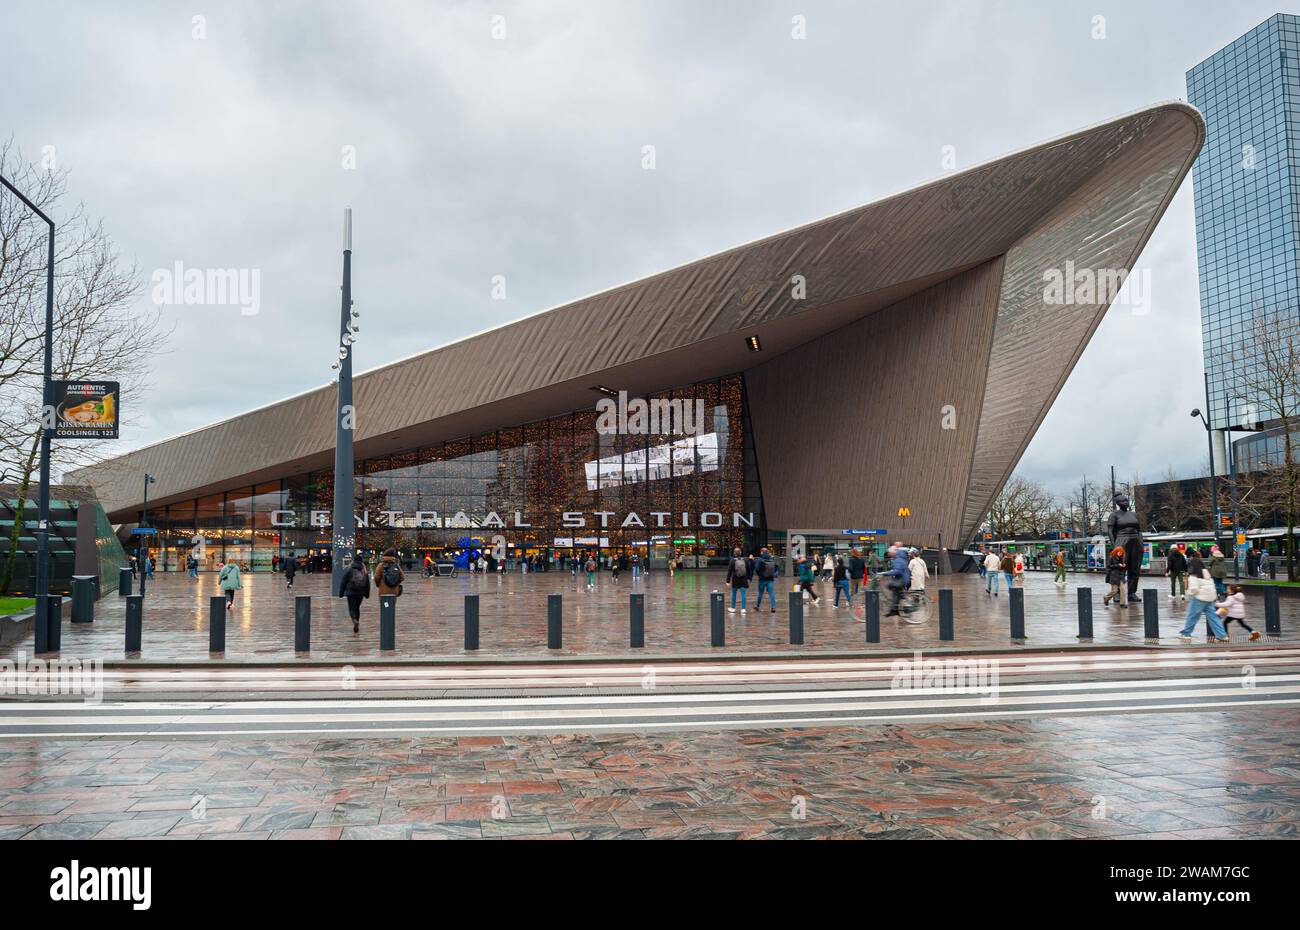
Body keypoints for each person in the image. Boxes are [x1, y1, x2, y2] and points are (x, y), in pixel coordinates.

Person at [1180, 554, 1228, 642]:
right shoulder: (1207, 573)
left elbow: (1193, 589)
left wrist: (1188, 591)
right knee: (1213, 618)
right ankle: (1222, 635)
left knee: (1192, 616)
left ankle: (1186, 634)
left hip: (1199, 598)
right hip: (1210, 598)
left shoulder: (1193, 576)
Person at [339, 555, 371, 634]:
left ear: (353, 561)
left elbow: (343, 582)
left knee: (352, 608)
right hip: (360, 593)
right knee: (357, 608)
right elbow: (367, 584)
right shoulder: (364, 571)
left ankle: (354, 620)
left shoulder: (350, 569)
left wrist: (341, 593)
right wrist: (367, 594)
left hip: (351, 592)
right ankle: (357, 622)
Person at [881, 546, 911, 616]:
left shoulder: (898, 559)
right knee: (895, 592)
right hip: (902, 579)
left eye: (889, 552)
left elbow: (897, 571)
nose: (889, 554)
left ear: (893, 552)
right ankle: (895, 608)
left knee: (891, 586)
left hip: (902, 580)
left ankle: (895, 609)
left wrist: (885, 573)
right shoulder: (900, 558)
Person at [754, 547, 779, 612]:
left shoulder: (760, 559)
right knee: (771, 593)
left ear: (762, 552)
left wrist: (759, 574)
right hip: (770, 578)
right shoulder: (772, 558)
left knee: (760, 593)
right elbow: (776, 567)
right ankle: (773, 607)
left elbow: (756, 568)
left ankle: (757, 606)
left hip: (762, 579)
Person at [726, 546, 750, 613]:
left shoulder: (732, 561)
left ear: (734, 553)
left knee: (734, 593)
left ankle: (733, 608)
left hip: (735, 579)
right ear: (740, 552)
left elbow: (729, 571)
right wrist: (748, 578)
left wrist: (727, 581)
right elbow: (748, 569)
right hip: (744, 579)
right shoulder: (745, 560)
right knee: (743, 594)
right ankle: (743, 609)